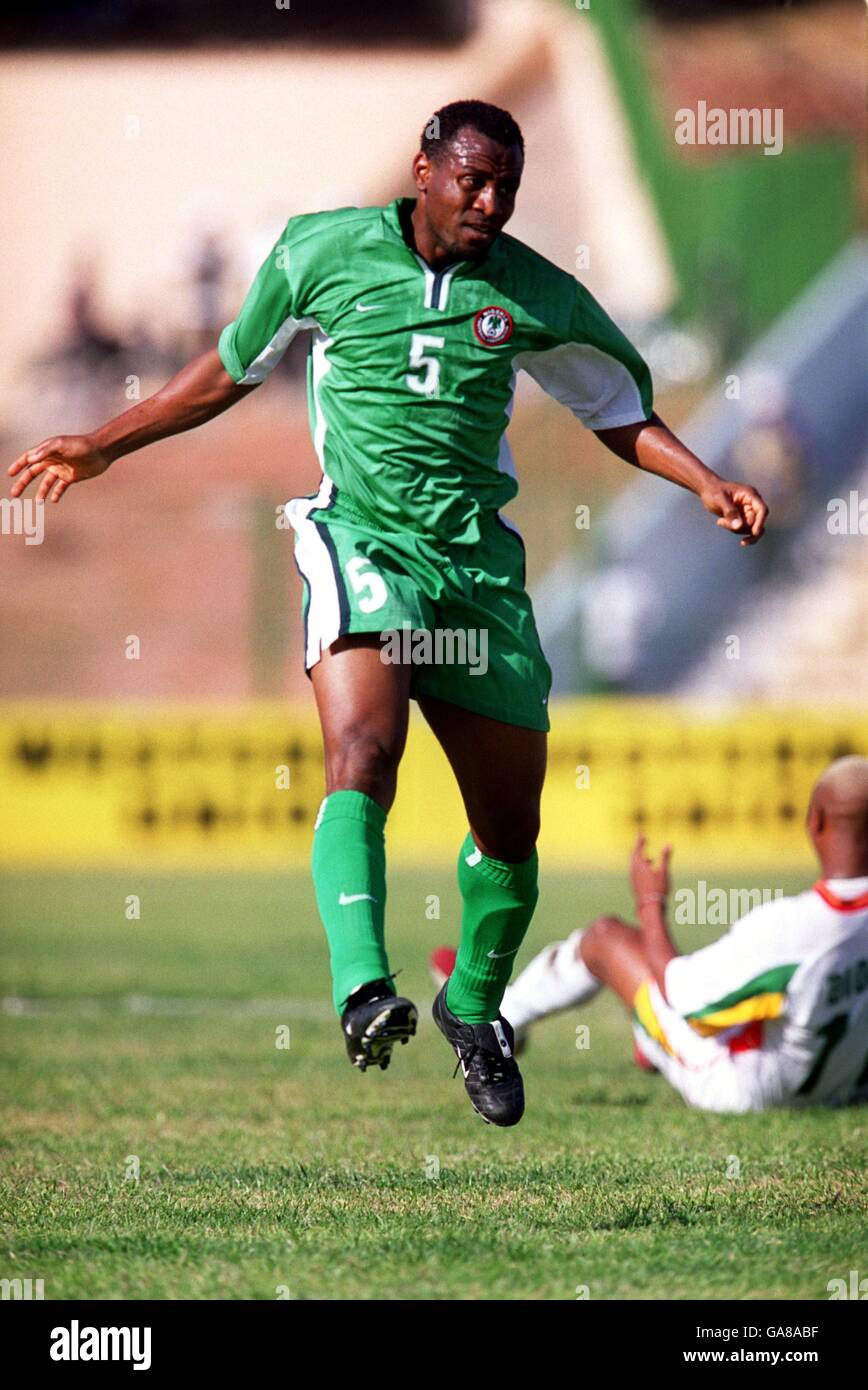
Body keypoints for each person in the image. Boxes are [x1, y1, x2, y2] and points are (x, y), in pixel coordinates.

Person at [7, 100, 768, 1127]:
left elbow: (618, 409)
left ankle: (472, 1007)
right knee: (363, 748)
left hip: (475, 575)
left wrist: (706, 481)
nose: (490, 201)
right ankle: (365, 989)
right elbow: (228, 369)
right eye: (473, 179)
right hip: (359, 538)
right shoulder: (320, 251)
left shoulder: (533, 293)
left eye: (507, 184)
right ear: (423, 168)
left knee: (510, 831)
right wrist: (105, 440)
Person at [441, 756, 868, 1113]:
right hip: (844, 1086)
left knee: (605, 939)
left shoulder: (793, 927)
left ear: (815, 822)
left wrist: (650, 903)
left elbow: (684, 998)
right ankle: (643, 1036)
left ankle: (503, 1016)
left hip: (742, 1087)